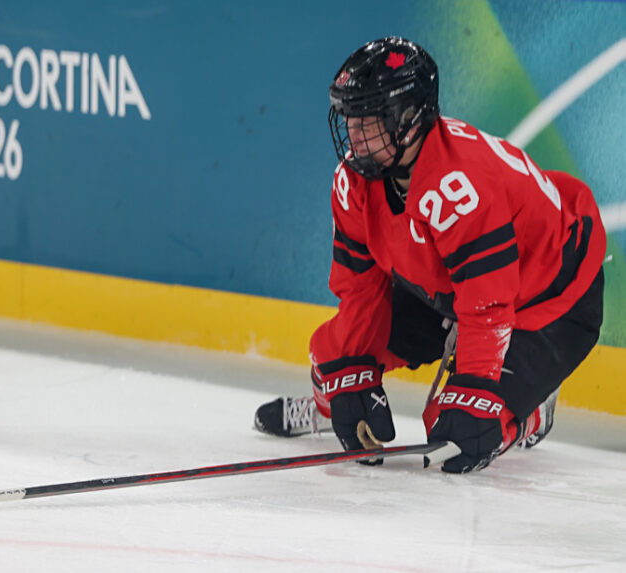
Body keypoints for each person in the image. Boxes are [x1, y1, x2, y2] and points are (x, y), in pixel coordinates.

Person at [254, 36, 605, 473]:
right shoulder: (356, 181)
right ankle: (325, 407)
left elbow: (489, 305)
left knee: (460, 432)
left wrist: (476, 389)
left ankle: (526, 411)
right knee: (334, 359)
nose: (355, 135)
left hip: (550, 296)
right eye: (351, 120)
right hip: (449, 288)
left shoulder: (462, 185)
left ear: (409, 119)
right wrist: (351, 371)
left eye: (369, 121)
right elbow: (360, 288)